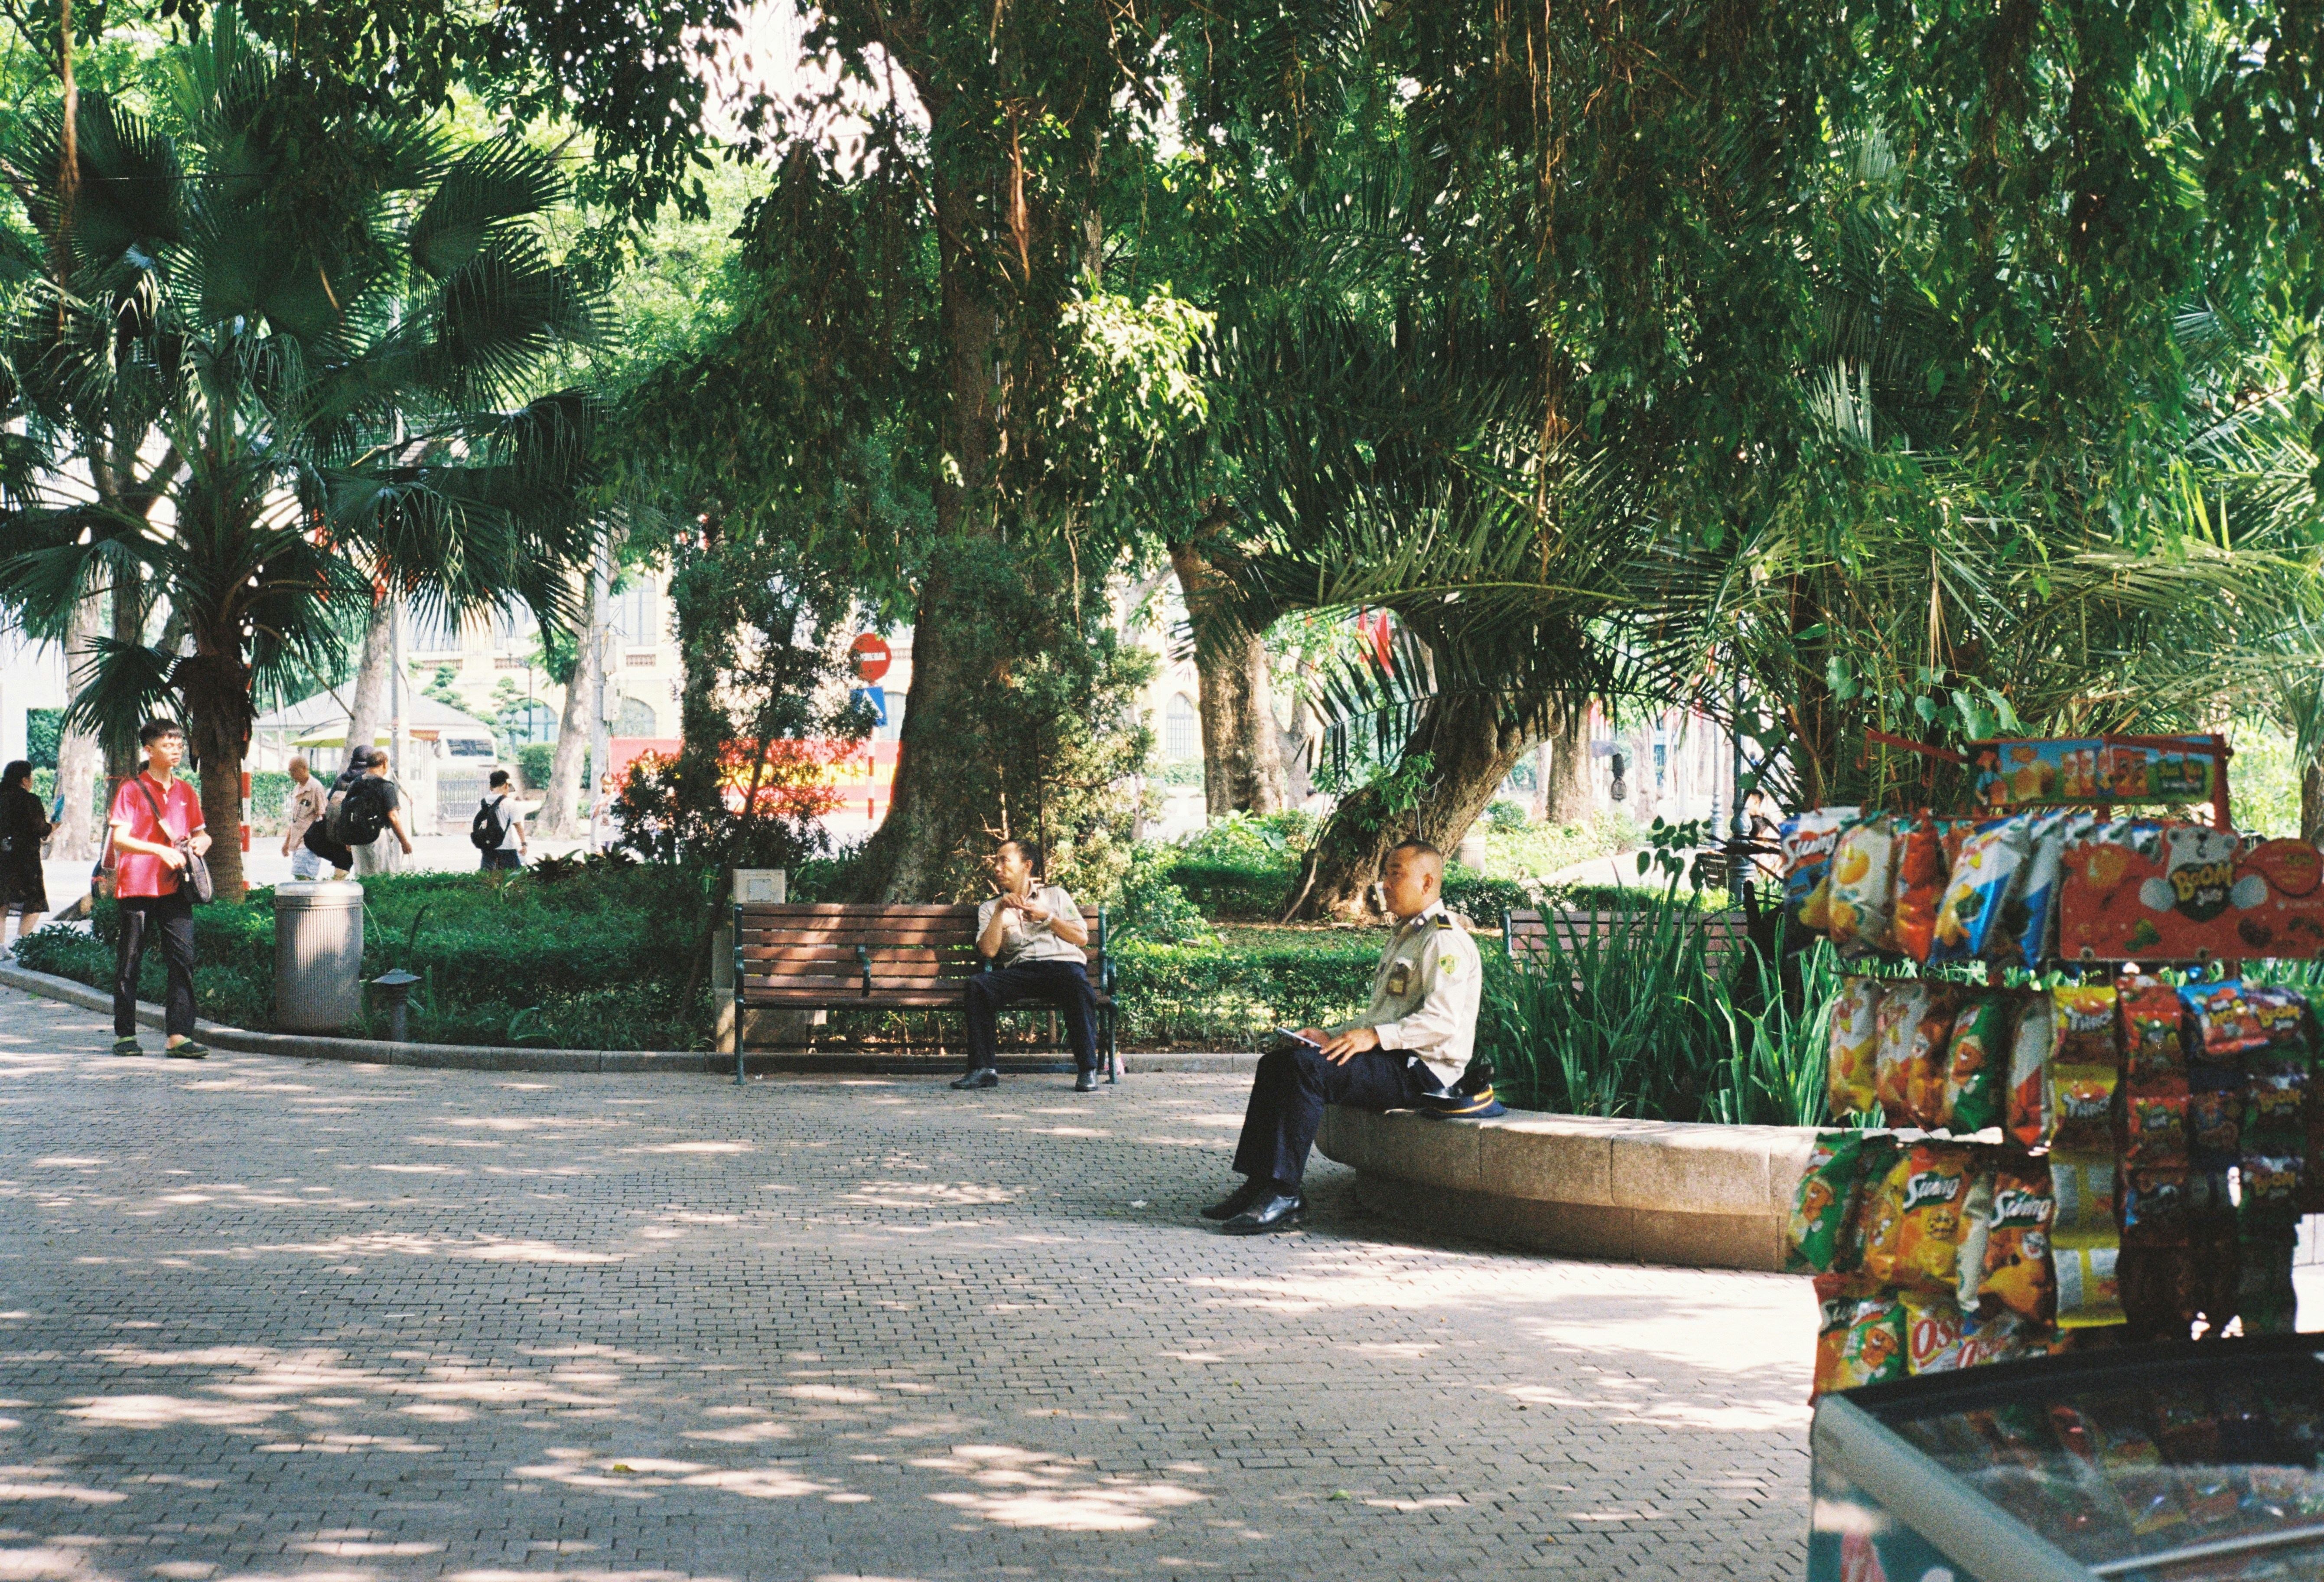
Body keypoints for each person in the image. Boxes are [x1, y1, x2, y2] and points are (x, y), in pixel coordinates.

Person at [1203, 839, 1487, 1235]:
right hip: (1394, 1056)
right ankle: (1259, 1184)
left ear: (1427, 883)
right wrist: (1331, 1035)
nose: (1384, 883)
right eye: (1385, 872)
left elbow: (1443, 1022)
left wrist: (1373, 1036)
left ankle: (1286, 1194)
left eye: (1396, 874)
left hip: (1424, 1071)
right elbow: (1382, 1016)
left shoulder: (1444, 939)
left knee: (1307, 1070)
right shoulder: (1407, 935)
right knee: (1278, 1063)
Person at [950, 838, 1103, 1094]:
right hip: (1021, 973)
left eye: (1004, 861)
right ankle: (984, 1069)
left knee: (1077, 983)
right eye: (996, 862)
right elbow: (989, 951)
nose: (997, 868)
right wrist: (1000, 910)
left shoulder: (1056, 895)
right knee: (978, 985)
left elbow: (1081, 938)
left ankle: (1088, 1068)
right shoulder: (990, 908)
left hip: (1062, 966)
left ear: (1027, 866)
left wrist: (1049, 918)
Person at [108, 718, 213, 1059]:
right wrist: (159, 850)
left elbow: (201, 832)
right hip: (137, 886)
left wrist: (202, 844)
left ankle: (179, 1035)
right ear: (149, 750)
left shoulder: (186, 790)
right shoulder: (131, 789)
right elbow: (120, 840)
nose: (177, 750)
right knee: (130, 962)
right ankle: (126, 1035)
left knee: (183, 960)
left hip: (175, 888)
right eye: (169, 745)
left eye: (179, 744)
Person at [0, 759, 53, 950]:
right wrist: (52, 827)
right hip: (24, 860)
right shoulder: (30, 801)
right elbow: (40, 828)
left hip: (2, 856)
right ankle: (20, 944)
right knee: (34, 901)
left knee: (1, 901)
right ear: (24, 780)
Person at [280, 756, 328, 881]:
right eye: (290, 771)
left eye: (294, 771)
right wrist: (287, 843)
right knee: (300, 878)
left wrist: (319, 844)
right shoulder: (297, 789)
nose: (292, 775)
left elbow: (323, 816)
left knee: (302, 877)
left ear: (305, 768)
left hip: (309, 843)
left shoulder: (316, 788)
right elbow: (295, 820)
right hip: (297, 842)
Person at [478, 768, 527, 880]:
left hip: (489, 849)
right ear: (506, 786)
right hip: (507, 849)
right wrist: (524, 844)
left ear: (490, 787)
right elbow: (518, 825)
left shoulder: (483, 802)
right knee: (516, 881)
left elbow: (478, 824)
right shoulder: (509, 803)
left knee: (488, 882)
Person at [589, 772, 619, 852]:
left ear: (614, 783)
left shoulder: (618, 798)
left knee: (612, 861)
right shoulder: (600, 798)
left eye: (610, 784)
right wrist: (599, 805)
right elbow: (593, 815)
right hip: (601, 836)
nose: (607, 787)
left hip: (614, 836)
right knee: (600, 861)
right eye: (604, 784)